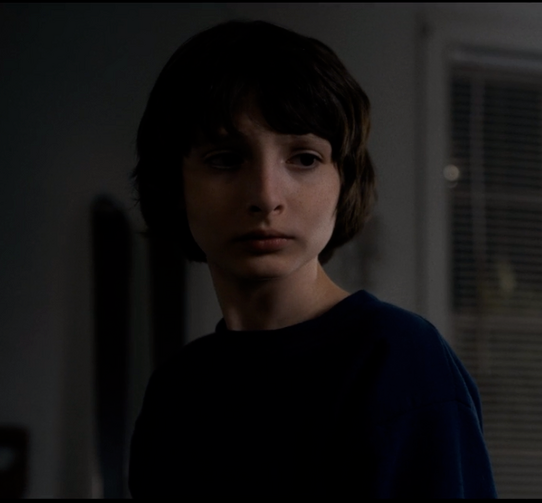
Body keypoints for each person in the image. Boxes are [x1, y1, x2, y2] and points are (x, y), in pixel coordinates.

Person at [128, 19, 497, 497]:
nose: (266, 197)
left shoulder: (399, 360)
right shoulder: (176, 392)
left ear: (343, 181)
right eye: (225, 159)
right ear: (176, 183)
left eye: (304, 158)